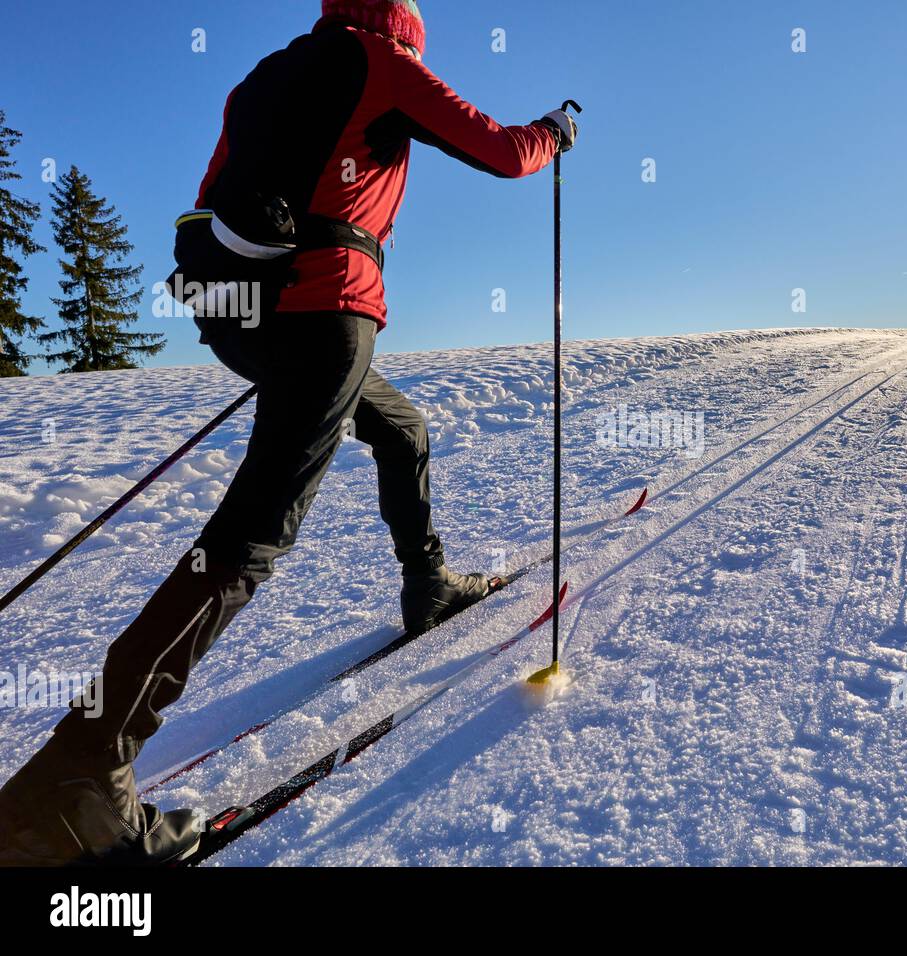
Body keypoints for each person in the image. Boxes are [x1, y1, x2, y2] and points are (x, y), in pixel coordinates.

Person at [0, 0, 578, 866]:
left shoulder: (265, 74)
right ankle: (83, 770)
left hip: (242, 312)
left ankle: (428, 586)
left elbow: (216, 204)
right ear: (404, 18)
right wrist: (555, 131)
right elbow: (500, 150)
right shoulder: (382, 61)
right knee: (252, 536)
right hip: (326, 308)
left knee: (400, 427)